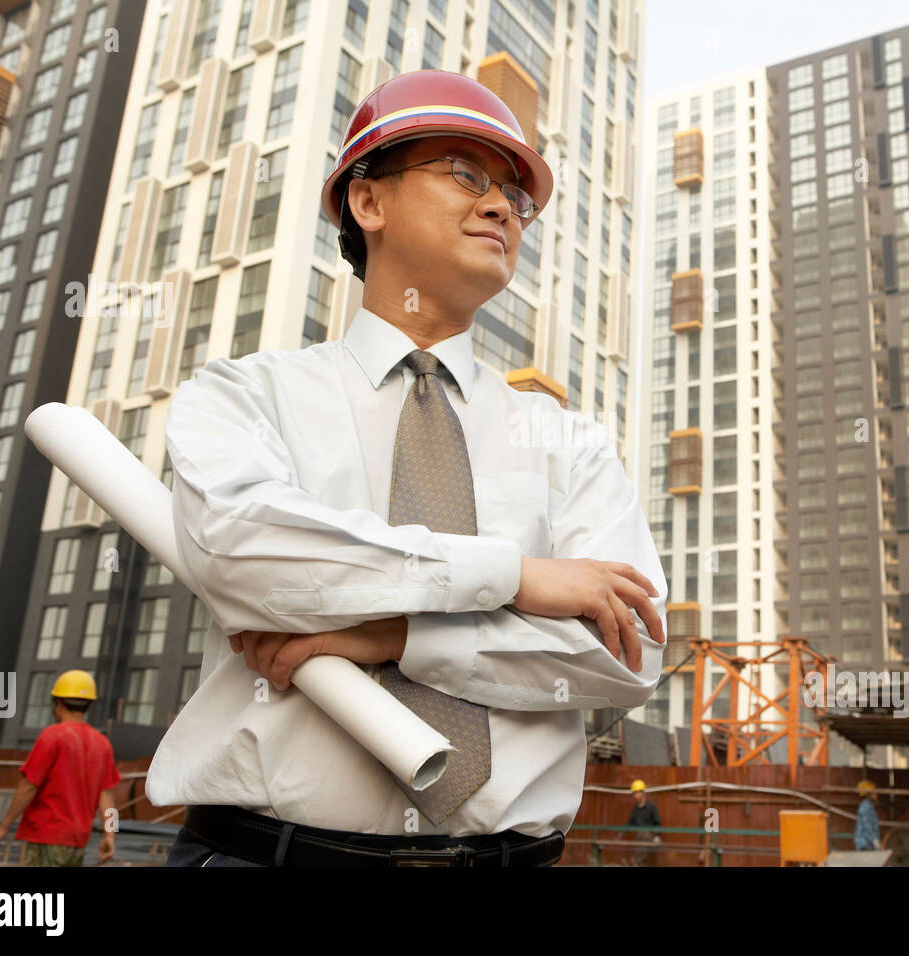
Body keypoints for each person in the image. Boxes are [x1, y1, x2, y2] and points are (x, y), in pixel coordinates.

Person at [148, 69, 667, 867]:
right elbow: (244, 551)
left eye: (515, 196)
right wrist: (515, 578)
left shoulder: (570, 442)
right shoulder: (248, 395)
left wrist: (397, 632)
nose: (502, 207)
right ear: (369, 201)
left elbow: (628, 649)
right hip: (263, 857)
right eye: (466, 173)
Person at [0, 671, 120, 866]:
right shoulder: (103, 744)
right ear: (89, 705)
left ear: (57, 703)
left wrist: (4, 825)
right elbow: (107, 797)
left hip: (45, 836)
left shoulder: (52, 736)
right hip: (77, 842)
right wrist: (110, 835)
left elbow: (29, 786)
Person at [626, 779, 662, 866]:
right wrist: (619, 834)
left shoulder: (651, 807)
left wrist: (656, 836)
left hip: (649, 838)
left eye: (636, 793)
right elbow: (629, 823)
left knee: (642, 860)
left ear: (642, 793)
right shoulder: (635, 809)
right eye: (634, 793)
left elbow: (658, 823)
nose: (635, 795)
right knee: (640, 860)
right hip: (639, 838)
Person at [854, 779, 881, 851]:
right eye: (874, 792)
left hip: (868, 844)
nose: (876, 793)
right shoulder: (865, 808)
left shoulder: (869, 807)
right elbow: (867, 827)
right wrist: (874, 840)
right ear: (868, 794)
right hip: (865, 845)